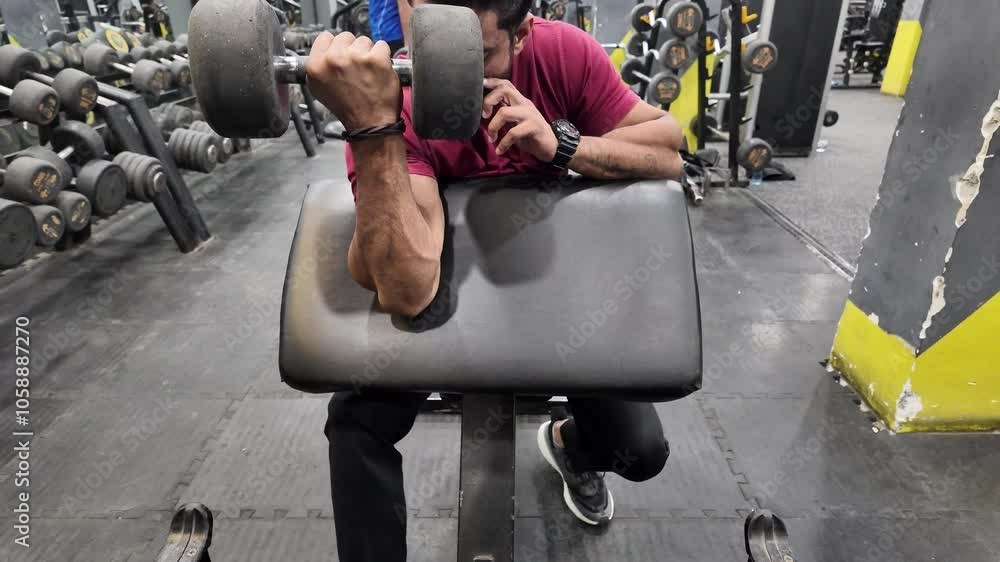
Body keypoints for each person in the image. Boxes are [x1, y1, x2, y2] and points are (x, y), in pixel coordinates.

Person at [305, 0, 684, 558]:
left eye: (477, 55)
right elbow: (408, 290)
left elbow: (670, 149)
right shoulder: (400, 94)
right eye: (437, 49)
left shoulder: (564, 53)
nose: (450, 72)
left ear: (522, 33)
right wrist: (373, 128)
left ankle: (568, 447)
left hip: (550, 277)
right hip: (443, 268)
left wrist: (564, 146)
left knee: (641, 450)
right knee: (356, 423)